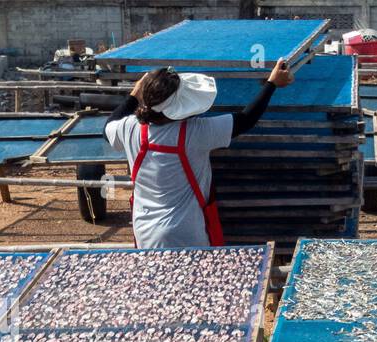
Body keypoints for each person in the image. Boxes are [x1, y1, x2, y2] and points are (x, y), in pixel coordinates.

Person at [105, 59, 293, 249]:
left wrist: (133, 96)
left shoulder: (130, 128)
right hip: (186, 233)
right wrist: (272, 84)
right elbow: (246, 119)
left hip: (144, 232)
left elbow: (107, 127)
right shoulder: (194, 132)